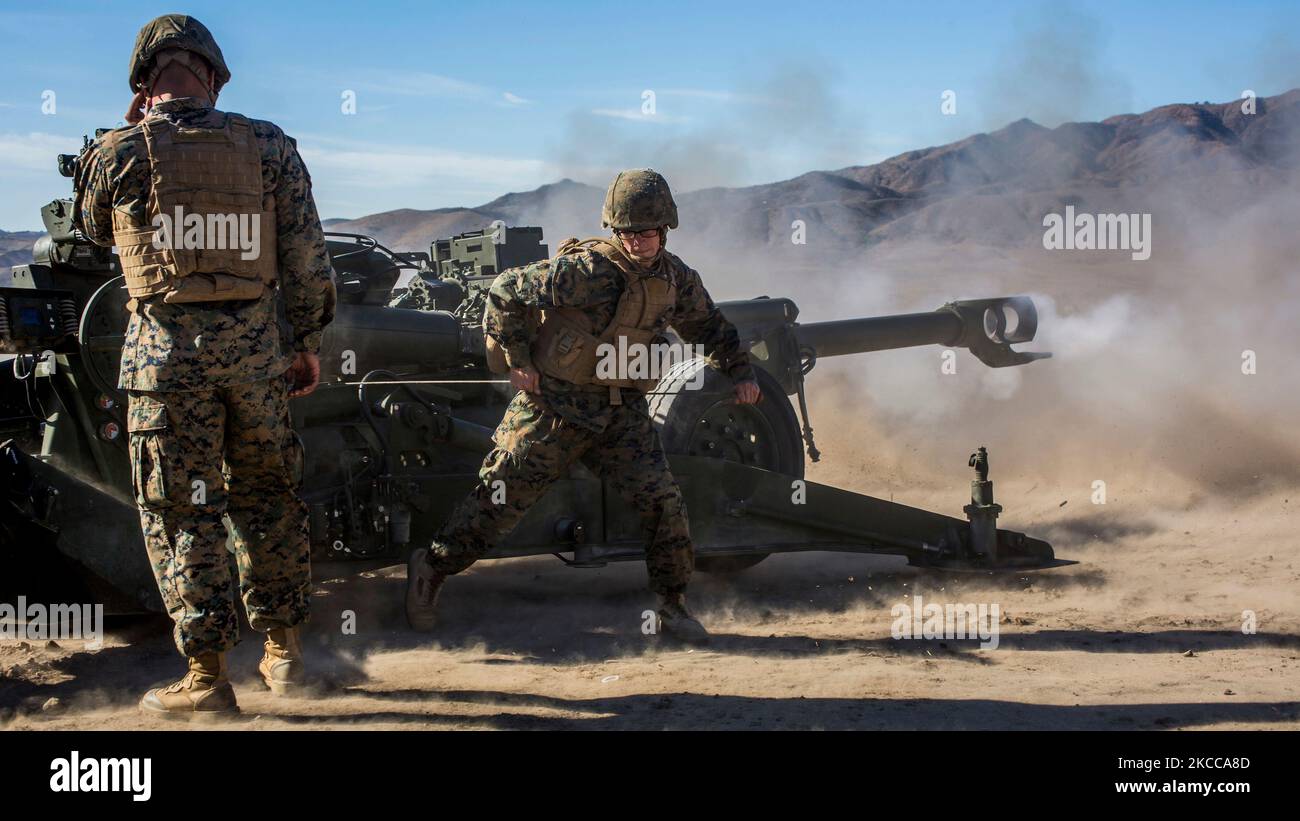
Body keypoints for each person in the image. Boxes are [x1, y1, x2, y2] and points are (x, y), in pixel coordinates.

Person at [73, 14, 336, 716]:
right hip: (255, 359)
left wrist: (124, 134)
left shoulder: (118, 150)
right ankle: (284, 655)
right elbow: (307, 256)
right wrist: (306, 342)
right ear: (214, 75)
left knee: (183, 513)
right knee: (268, 500)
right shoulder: (270, 146)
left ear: (142, 82)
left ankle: (208, 678)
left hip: (164, 364)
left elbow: (92, 230)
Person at [406, 169, 761, 644]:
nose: (637, 242)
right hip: (553, 407)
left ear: (666, 228)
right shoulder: (584, 272)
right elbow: (505, 291)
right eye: (628, 232)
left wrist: (741, 372)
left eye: (647, 232)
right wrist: (518, 360)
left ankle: (672, 606)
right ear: (615, 230)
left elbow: (711, 327)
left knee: (663, 502)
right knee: (501, 499)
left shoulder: (675, 279)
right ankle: (431, 568)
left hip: (620, 412)